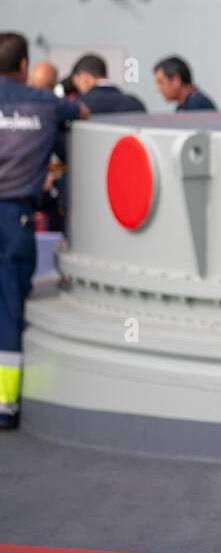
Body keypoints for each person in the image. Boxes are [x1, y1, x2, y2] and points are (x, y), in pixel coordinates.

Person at [0, 33, 90, 428]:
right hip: (14, 218)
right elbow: (82, 113)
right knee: (7, 310)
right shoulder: (45, 103)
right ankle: (4, 404)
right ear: (24, 65)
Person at [69, 54, 146, 114]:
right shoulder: (135, 103)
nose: (79, 90)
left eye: (77, 85)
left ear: (85, 78)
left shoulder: (79, 106)